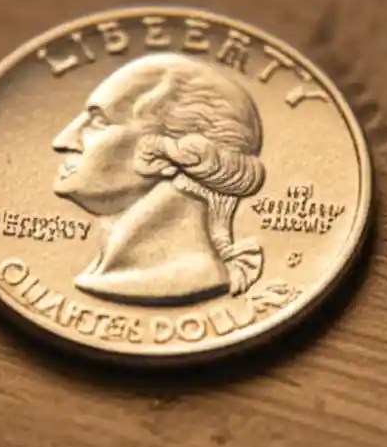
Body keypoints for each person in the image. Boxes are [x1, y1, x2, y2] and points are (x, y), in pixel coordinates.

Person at [51, 52, 266, 306]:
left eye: (99, 120)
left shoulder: (187, 276)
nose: (62, 140)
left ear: (164, 154)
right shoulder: (108, 273)